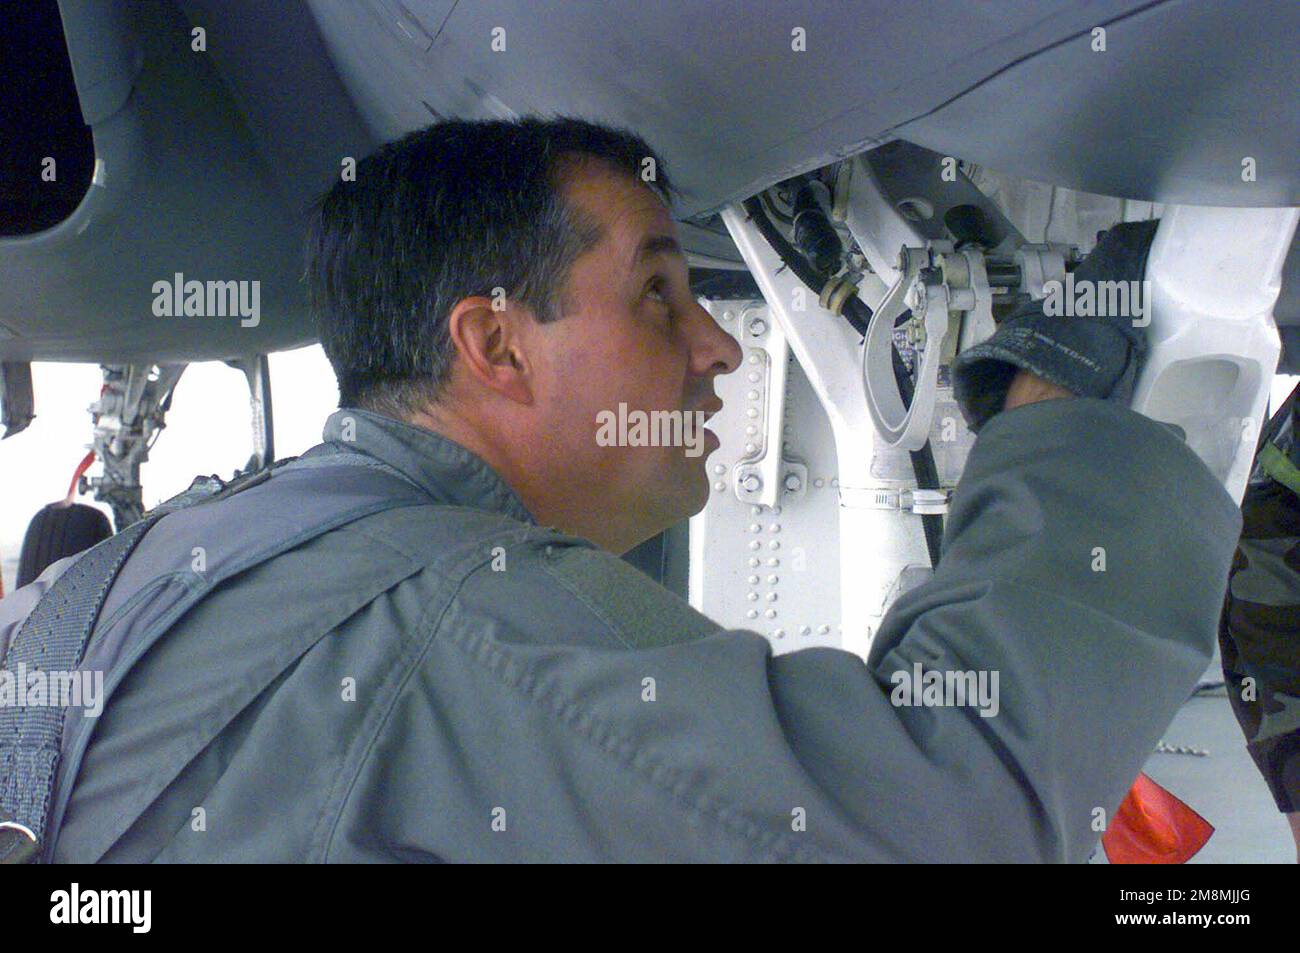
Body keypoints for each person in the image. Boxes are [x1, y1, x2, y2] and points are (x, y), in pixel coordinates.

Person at [0, 117, 1240, 862]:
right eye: (661, 293)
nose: (719, 346)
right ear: (494, 345)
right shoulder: (450, 619)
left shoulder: (141, 573)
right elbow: (949, 815)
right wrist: (1062, 426)